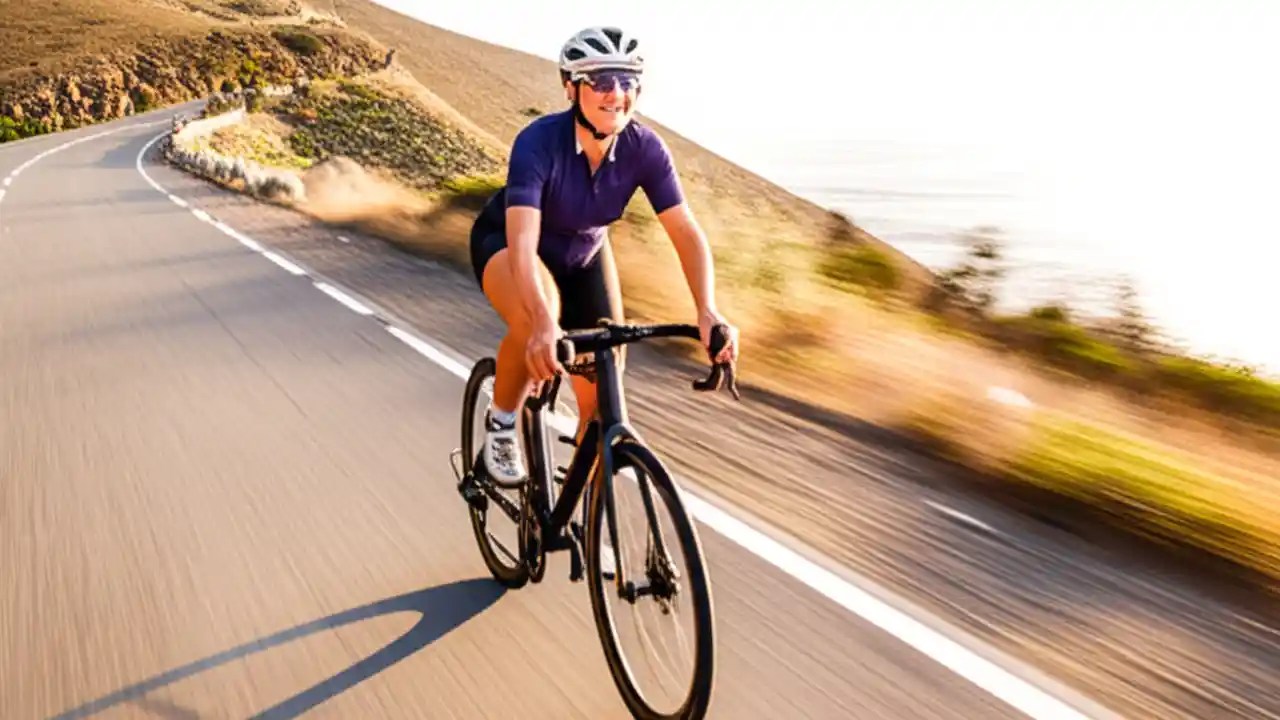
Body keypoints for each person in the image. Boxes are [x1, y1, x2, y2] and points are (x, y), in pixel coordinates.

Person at [468, 25, 739, 484]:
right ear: (571, 88)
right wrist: (541, 322)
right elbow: (524, 238)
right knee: (539, 316)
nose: (617, 94)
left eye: (628, 81)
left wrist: (707, 310)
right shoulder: (538, 142)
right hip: (511, 246)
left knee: (601, 411)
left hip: (585, 256)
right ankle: (502, 421)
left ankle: (592, 535)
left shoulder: (645, 148)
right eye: (601, 81)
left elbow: (685, 231)